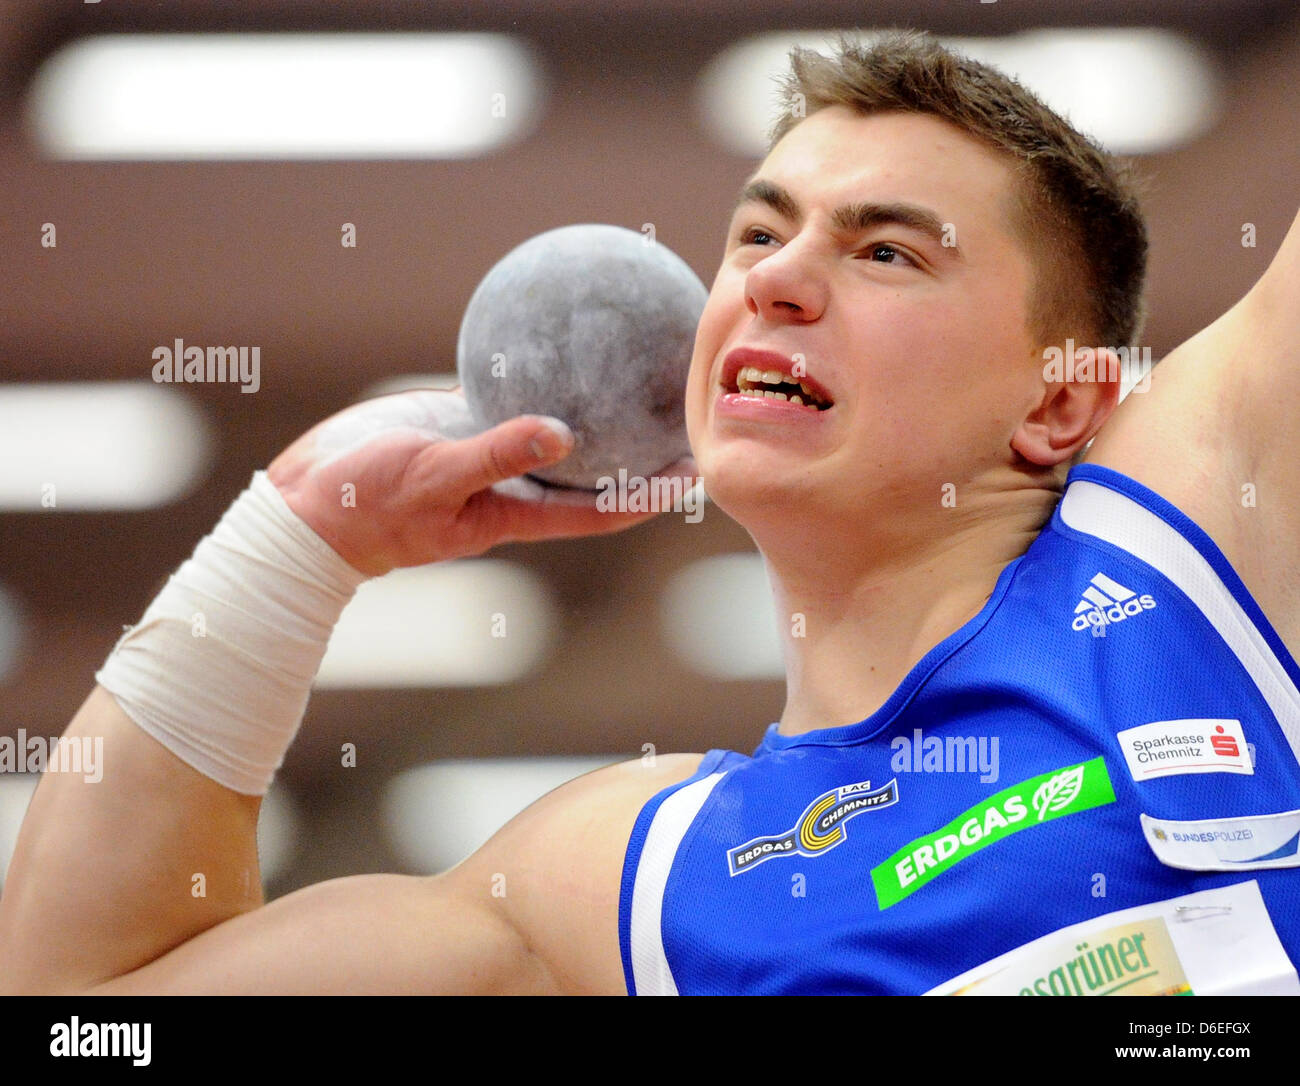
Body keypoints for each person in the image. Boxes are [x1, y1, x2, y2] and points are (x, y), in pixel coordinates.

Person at [2, 30, 1297, 996]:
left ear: (1060, 408)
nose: (774, 280)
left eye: (887, 249)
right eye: (756, 235)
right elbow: (88, 1012)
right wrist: (288, 544)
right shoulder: (625, 876)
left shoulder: (1197, 531)